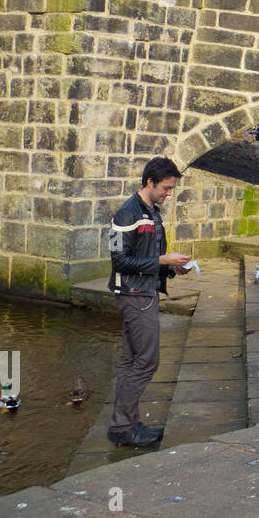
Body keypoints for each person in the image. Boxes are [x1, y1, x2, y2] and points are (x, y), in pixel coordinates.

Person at [107, 157, 191, 448]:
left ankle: (124, 424)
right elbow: (119, 261)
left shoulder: (151, 211)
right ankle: (123, 427)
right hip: (134, 295)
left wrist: (170, 268)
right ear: (149, 183)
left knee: (131, 362)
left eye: (171, 189)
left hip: (143, 293)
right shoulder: (126, 215)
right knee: (146, 362)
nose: (169, 194)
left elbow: (148, 256)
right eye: (166, 188)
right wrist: (161, 260)